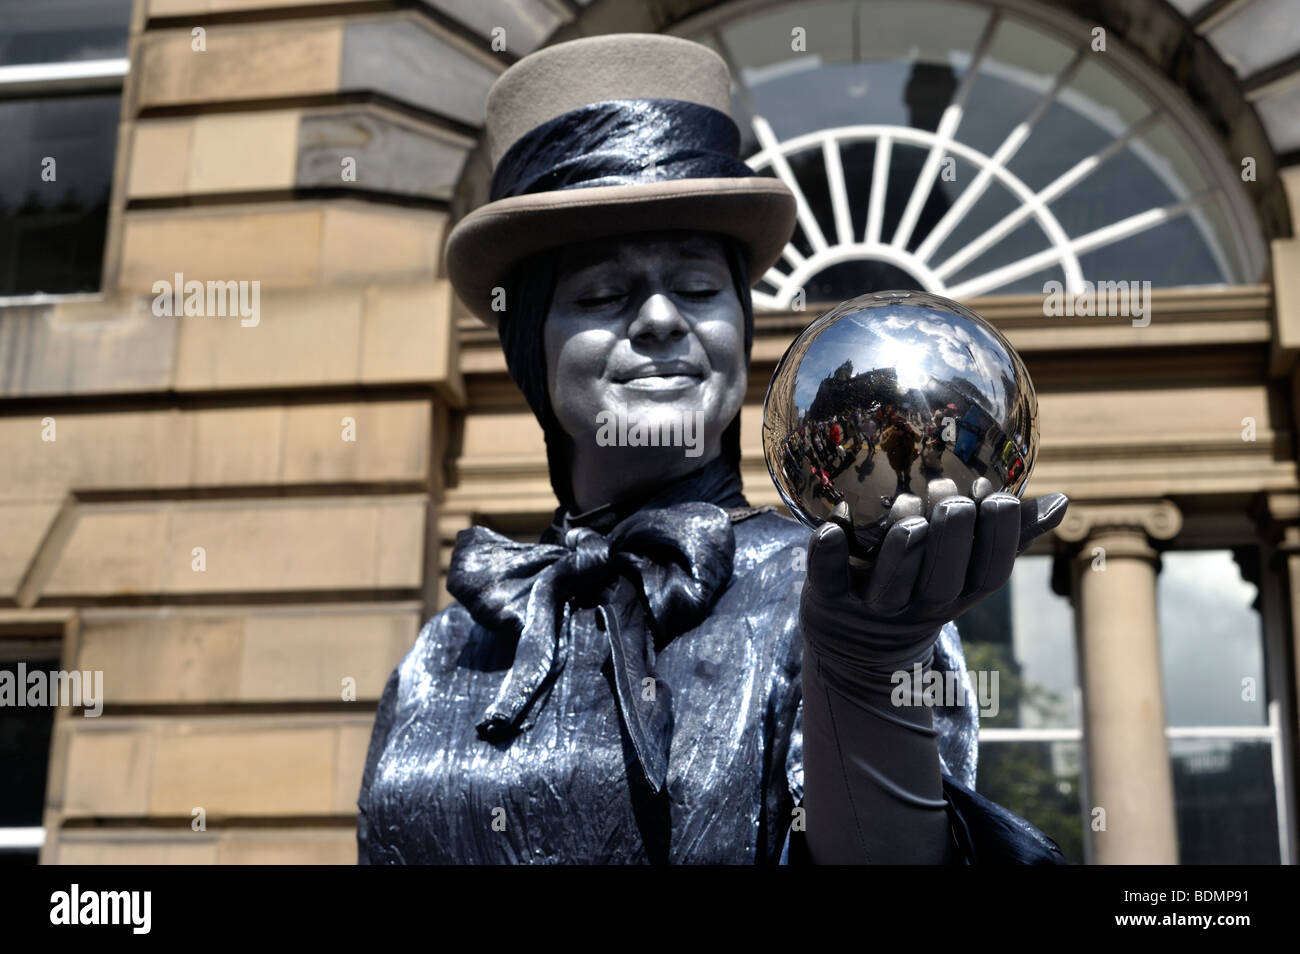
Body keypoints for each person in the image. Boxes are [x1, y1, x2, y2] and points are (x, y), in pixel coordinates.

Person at [357, 33, 1069, 865]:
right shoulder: (447, 649)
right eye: (603, 293)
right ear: (529, 347)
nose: (661, 320)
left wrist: (867, 677)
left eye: (698, 288)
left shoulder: (844, 591)